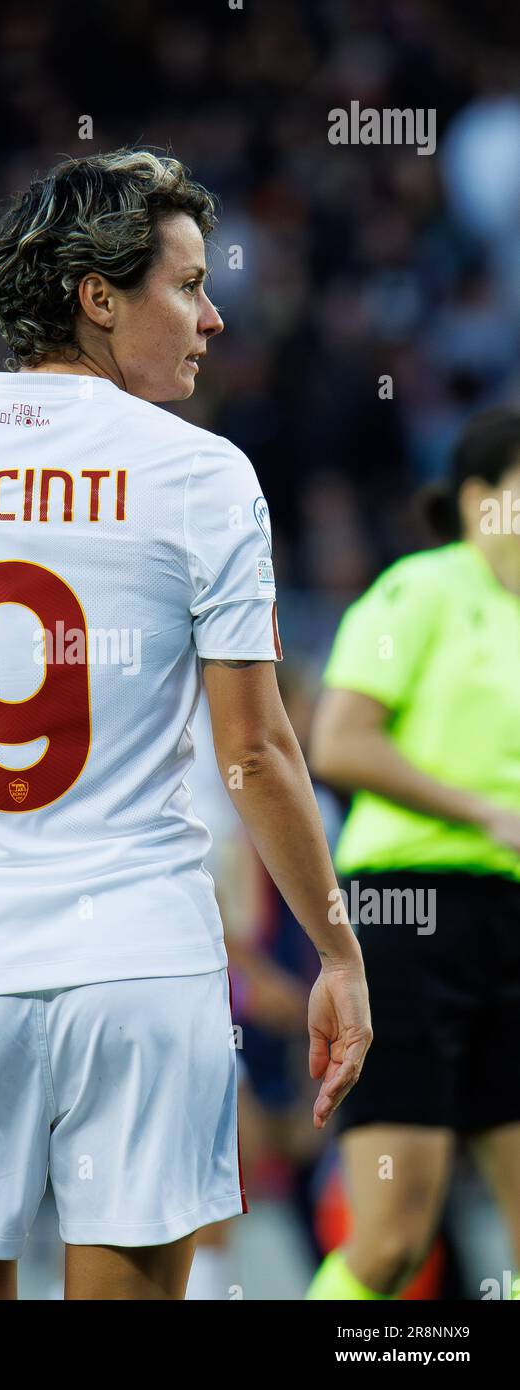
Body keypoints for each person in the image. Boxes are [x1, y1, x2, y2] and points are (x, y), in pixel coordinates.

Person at [0, 148, 371, 1302]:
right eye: (185, 287)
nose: (213, 317)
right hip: (138, 959)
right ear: (98, 297)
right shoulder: (203, 474)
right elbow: (255, 750)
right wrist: (333, 951)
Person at [306, 408, 520, 1301]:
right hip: (411, 915)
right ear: (481, 499)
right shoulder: (423, 590)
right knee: (394, 1239)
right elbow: (339, 742)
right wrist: (486, 813)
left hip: (512, 924)